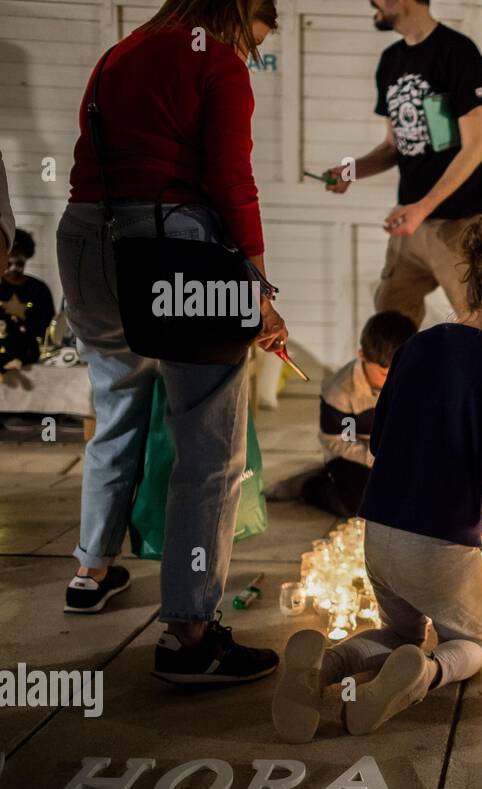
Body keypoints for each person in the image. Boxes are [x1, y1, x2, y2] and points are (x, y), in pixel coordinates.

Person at [58, 0, 288, 687]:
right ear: (239, 13)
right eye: (254, 39)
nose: (251, 56)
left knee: (116, 410)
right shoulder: (215, 62)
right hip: (171, 251)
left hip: (88, 244)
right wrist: (258, 287)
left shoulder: (119, 54)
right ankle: (190, 634)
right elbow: (230, 179)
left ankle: (91, 569)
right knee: (210, 447)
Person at [272, 213, 482, 741]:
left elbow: (380, 442)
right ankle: (424, 674)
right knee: (470, 643)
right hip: (443, 539)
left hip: (379, 527)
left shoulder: (416, 345)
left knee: (397, 629)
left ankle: (329, 666)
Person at [322, 0, 482, 326]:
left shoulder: (458, 52)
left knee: (480, 328)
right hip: (410, 225)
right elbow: (393, 145)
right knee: (388, 325)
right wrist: (351, 170)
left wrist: (422, 208)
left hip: (461, 224)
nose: (372, 4)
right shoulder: (391, 62)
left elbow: (475, 147)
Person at [297, 310, 415, 517]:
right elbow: (340, 441)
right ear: (362, 356)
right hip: (355, 455)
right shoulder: (340, 391)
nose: (393, 379)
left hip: (401, 452)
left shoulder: (416, 375)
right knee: (362, 504)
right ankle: (313, 486)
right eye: (384, 374)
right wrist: (380, 460)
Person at [1, 229, 57, 368]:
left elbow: (47, 329)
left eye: (19, 263)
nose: (14, 269)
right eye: (9, 264)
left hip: (30, 356)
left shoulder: (39, 289)